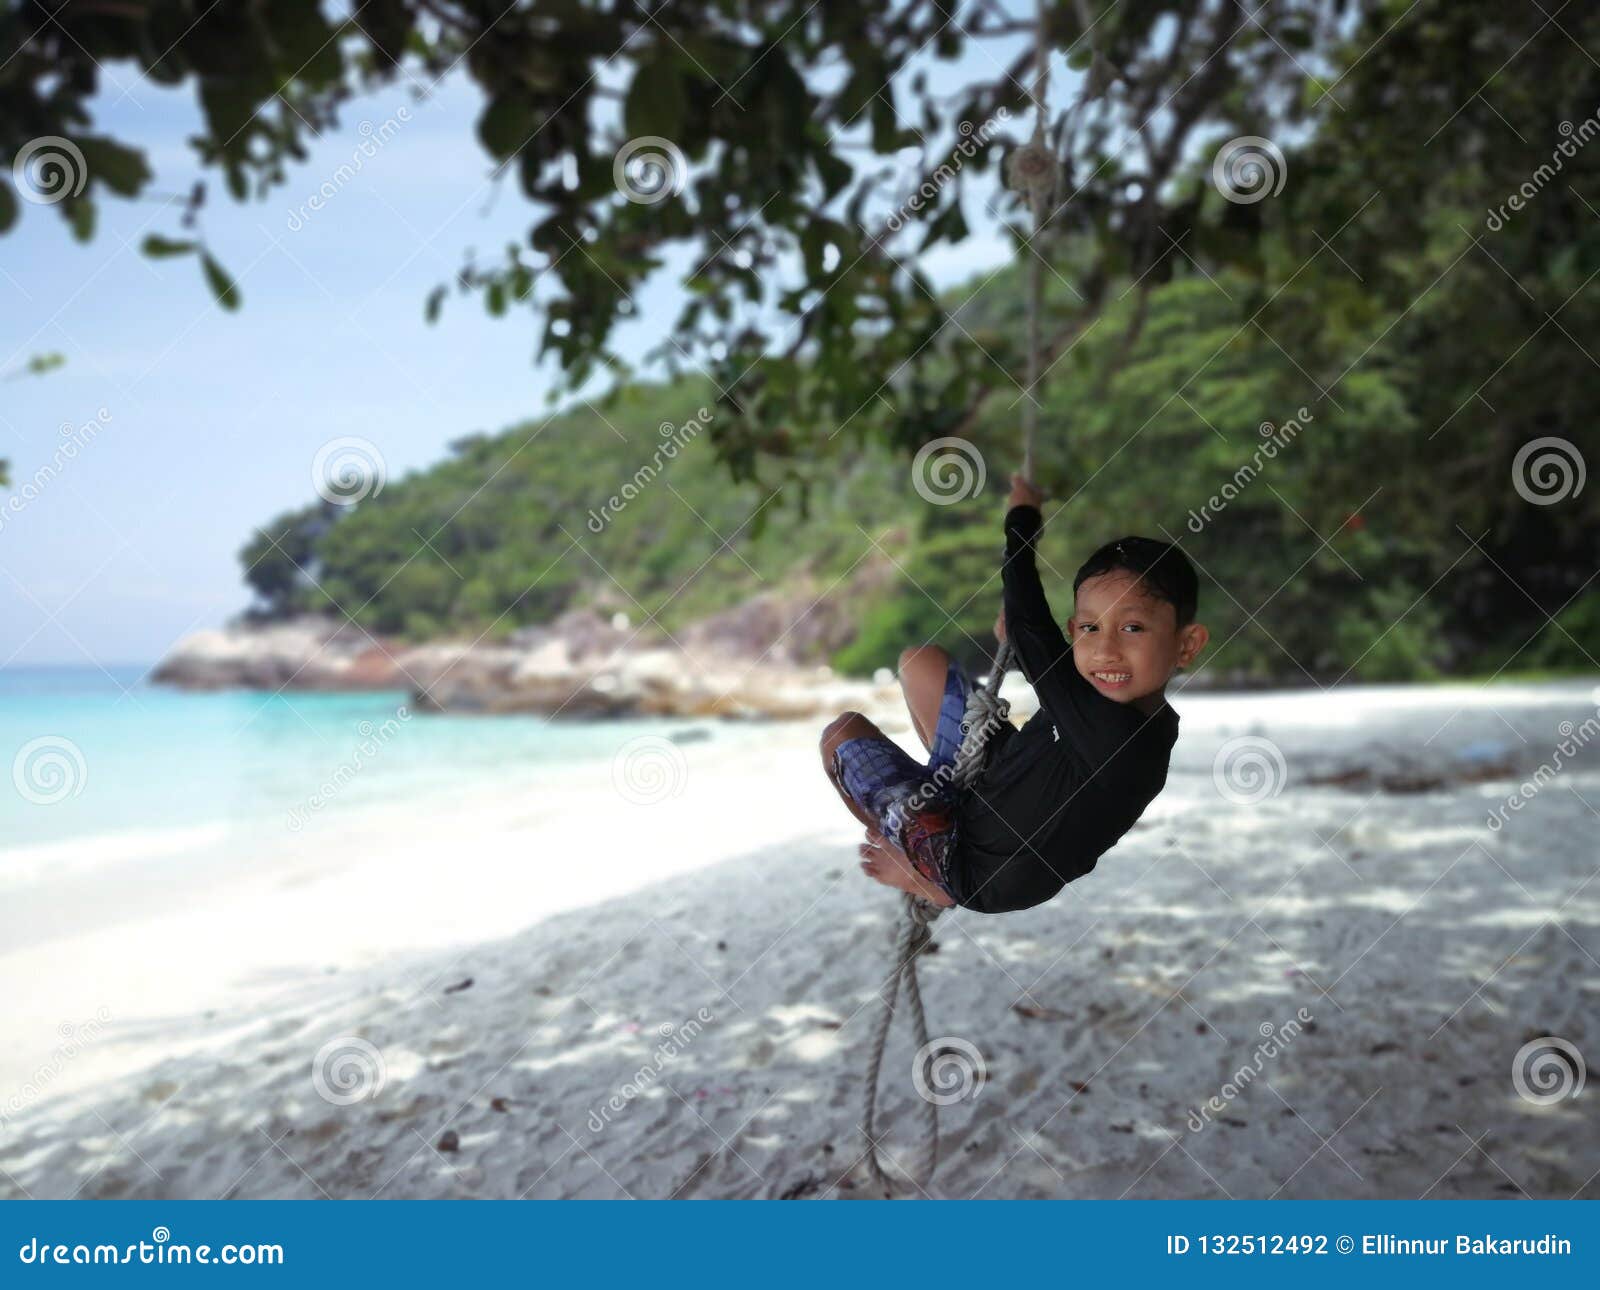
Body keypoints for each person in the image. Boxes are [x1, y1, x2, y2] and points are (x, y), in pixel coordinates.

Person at [820, 471, 1210, 914]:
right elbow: (1041, 647)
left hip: (977, 866)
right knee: (919, 663)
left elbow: (1030, 621)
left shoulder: (1122, 740)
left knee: (840, 735)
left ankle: (924, 868)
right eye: (1090, 628)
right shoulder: (1109, 696)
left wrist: (1021, 516)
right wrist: (1025, 647)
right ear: (1074, 632)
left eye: (1133, 628)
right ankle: (932, 809)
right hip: (992, 784)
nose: (1106, 650)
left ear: (1186, 644)